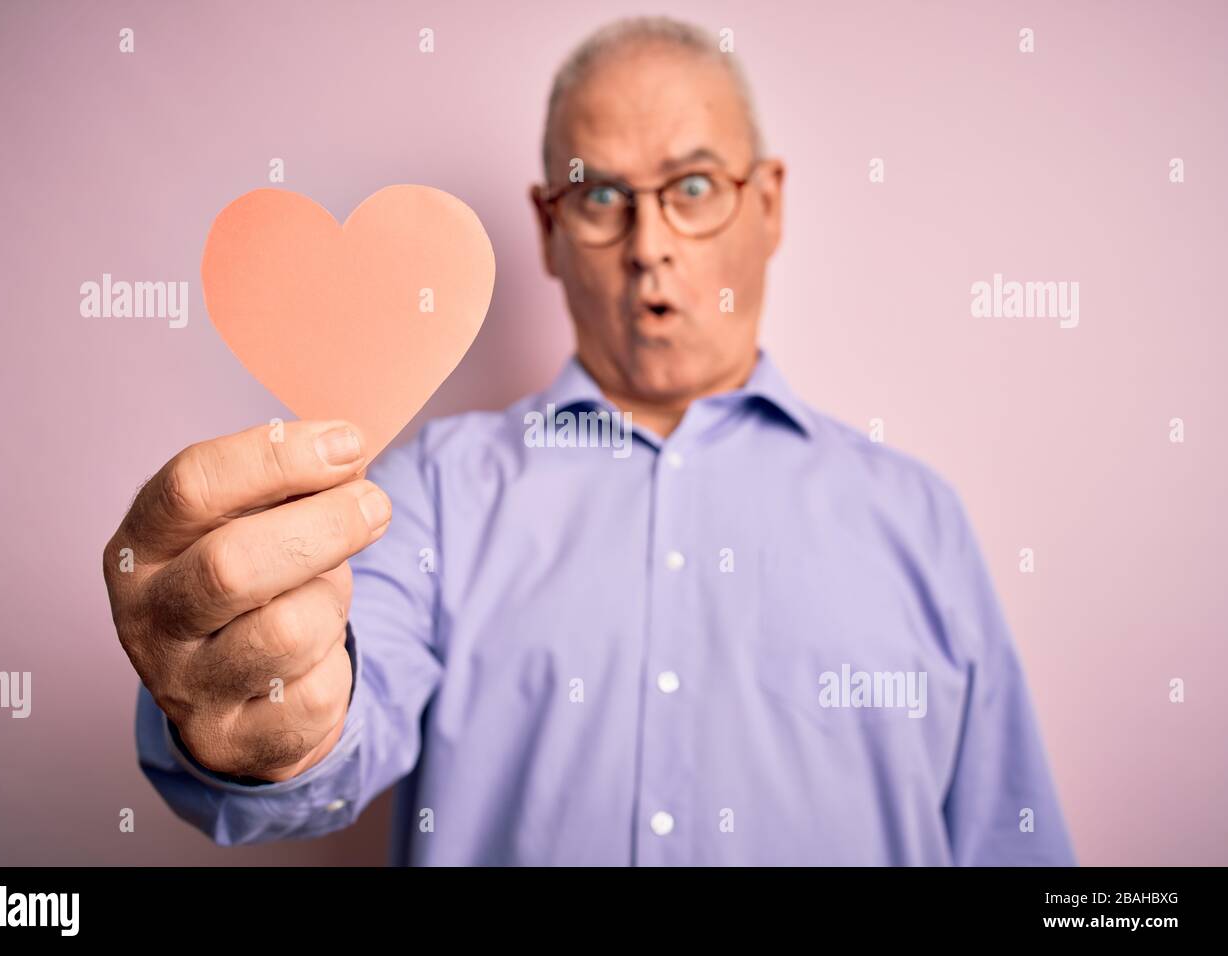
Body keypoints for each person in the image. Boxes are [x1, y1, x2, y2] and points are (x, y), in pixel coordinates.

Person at [104, 16, 1075, 865]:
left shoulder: (917, 516)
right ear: (549, 228)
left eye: (692, 185)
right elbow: (331, 731)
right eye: (602, 196)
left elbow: (1009, 838)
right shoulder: (435, 489)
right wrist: (255, 708)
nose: (650, 241)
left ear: (768, 202)